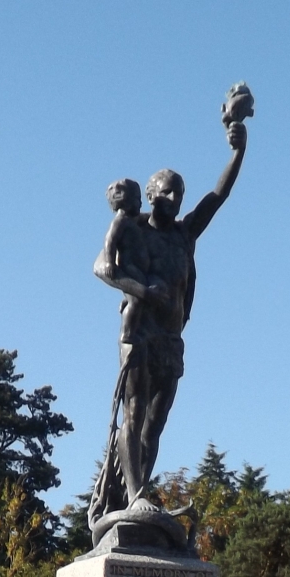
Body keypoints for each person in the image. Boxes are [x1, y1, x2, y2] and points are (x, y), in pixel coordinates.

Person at [86, 107, 248, 530]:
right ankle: (136, 494)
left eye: (180, 193)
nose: (176, 200)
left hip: (171, 340)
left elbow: (217, 196)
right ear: (151, 193)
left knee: (154, 426)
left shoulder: (184, 234)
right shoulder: (133, 228)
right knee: (134, 412)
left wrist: (237, 151)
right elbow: (101, 267)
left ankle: (137, 490)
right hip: (140, 333)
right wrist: (142, 291)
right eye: (168, 192)